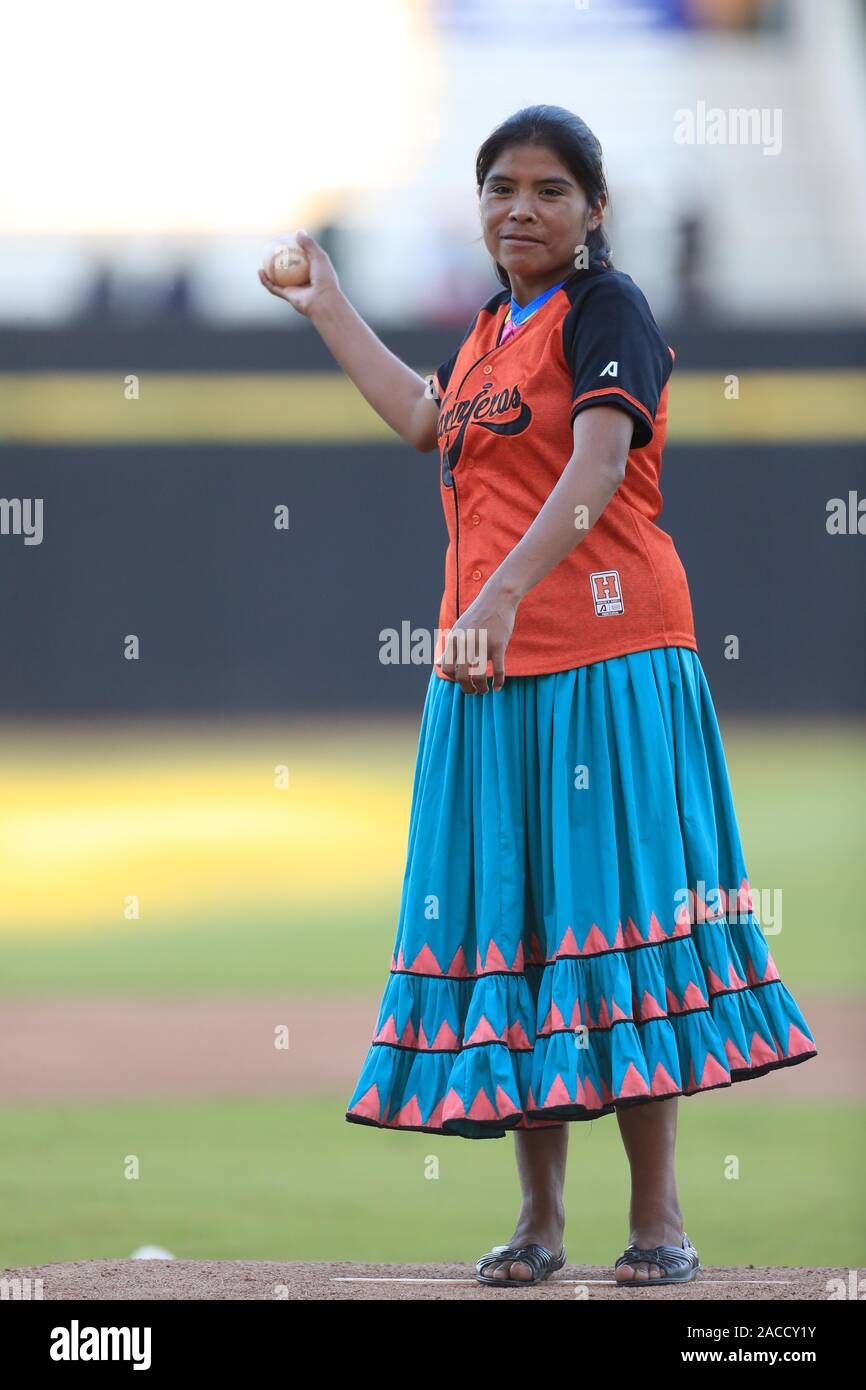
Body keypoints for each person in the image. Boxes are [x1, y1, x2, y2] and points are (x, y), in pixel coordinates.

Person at [259, 104, 818, 1290]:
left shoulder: (603, 309)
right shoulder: (486, 331)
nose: (520, 207)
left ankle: (659, 1222)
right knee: (523, 938)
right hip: (493, 669)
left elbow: (598, 465)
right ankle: (538, 1224)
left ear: (593, 209)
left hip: (604, 661)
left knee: (618, 927)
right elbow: (422, 418)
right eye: (500, 187)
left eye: (549, 189)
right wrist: (326, 304)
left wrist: (499, 598)